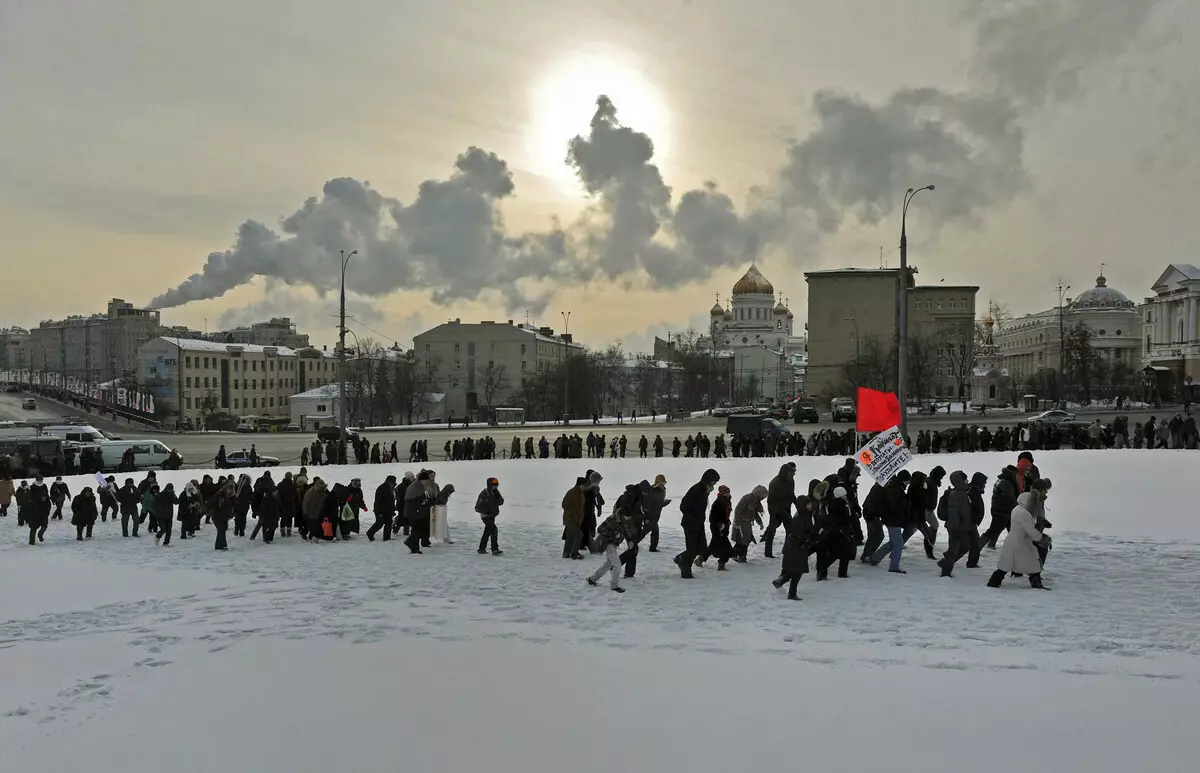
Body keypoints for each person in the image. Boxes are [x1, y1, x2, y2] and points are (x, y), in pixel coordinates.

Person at [987, 491, 1050, 590]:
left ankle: (994, 582)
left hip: (1017, 541)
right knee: (1031, 564)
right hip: (1020, 543)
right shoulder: (1023, 513)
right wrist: (1041, 538)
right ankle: (1036, 584)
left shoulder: (1018, 509)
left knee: (1007, 565)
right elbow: (1030, 530)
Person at [675, 469, 720, 578]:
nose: (715, 484)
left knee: (701, 547)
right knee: (691, 549)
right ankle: (685, 571)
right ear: (708, 480)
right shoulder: (696, 490)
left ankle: (681, 559)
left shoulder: (705, 490)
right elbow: (684, 506)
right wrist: (693, 518)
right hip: (690, 523)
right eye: (714, 481)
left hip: (698, 523)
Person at [586, 502, 639, 593]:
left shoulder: (624, 520)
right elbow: (600, 529)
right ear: (623, 515)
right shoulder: (612, 520)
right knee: (617, 565)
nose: (630, 518)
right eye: (628, 516)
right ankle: (614, 586)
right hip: (609, 544)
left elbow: (625, 531)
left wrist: (629, 541)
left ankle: (592, 579)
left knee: (608, 564)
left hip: (614, 544)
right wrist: (613, 536)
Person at [936, 471, 973, 577]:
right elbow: (957, 513)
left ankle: (944, 562)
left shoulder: (959, 493)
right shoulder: (958, 494)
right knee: (954, 550)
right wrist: (959, 527)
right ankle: (946, 572)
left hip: (959, 526)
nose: (967, 481)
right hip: (956, 527)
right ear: (960, 481)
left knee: (964, 546)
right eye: (965, 480)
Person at [763, 462, 797, 559]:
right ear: (785, 473)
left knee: (790, 528)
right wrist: (778, 512)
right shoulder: (774, 483)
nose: (793, 474)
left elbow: (791, 494)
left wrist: (798, 504)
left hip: (785, 507)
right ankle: (768, 553)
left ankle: (786, 549)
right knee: (772, 530)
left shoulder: (791, 481)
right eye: (791, 472)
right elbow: (772, 500)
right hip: (774, 508)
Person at [982, 465, 1019, 549]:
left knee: (998, 530)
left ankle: (990, 546)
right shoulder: (1005, 482)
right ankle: (978, 547)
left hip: (1001, 510)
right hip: (1002, 511)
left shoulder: (1003, 481)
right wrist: (1018, 506)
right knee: (994, 531)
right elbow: (1010, 498)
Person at [704, 484, 736, 570]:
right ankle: (721, 565)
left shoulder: (727, 502)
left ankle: (700, 559)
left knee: (713, 545)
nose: (728, 494)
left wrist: (726, 523)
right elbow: (713, 518)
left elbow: (725, 516)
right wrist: (719, 525)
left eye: (729, 492)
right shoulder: (718, 503)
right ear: (722, 493)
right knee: (726, 549)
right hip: (718, 528)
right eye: (727, 493)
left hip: (723, 528)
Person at [732, 485, 767, 563]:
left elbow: (754, 513)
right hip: (741, 522)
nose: (762, 499)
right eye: (761, 497)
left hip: (747, 522)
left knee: (744, 540)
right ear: (757, 494)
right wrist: (737, 522)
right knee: (743, 540)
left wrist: (760, 522)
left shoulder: (756, 502)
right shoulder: (747, 498)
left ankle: (735, 553)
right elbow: (738, 510)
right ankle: (741, 557)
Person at [474, 477, 504, 555]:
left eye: (496, 484)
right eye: (493, 484)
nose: (495, 486)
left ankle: (481, 548)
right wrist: (486, 511)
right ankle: (495, 549)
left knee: (487, 532)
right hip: (486, 516)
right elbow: (478, 506)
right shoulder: (484, 493)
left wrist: (497, 495)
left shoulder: (496, 492)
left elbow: (501, 502)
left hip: (492, 516)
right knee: (494, 530)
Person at [561, 477, 588, 560]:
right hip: (572, 519)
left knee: (570, 536)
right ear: (580, 485)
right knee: (579, 534)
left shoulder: (579, 493)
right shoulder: (572, 492)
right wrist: (571, 514)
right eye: (584, 485)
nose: (585, 487)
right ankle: (574, 553)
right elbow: (564, 504)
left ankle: (566, 553)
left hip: (575, 519)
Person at [368, 475, 397, 541]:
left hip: (388, 509)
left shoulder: (390, 488)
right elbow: (378, 501)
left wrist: (393, 508)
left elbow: (391, 500)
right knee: (379, 523)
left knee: (388, 523)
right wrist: (378, 511)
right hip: (381, 509)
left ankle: (387, 538)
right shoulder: (382, 488)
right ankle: (370, 533)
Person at [27, 476, 51, 545]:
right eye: (39, 480)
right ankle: (31, 541)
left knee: (44, 525)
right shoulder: (32, 486)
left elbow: (47, 493)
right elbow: (31, 496)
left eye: (41, 480)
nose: (40, 481)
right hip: (35, 507)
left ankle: (40, 534)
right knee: (33, 527)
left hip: (43, 507)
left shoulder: (44, 485)